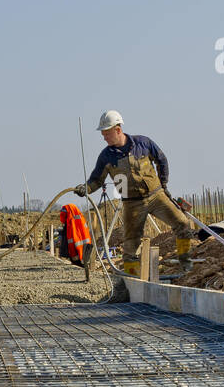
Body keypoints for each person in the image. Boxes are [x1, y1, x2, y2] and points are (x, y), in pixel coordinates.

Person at [75, 110, 195, 275]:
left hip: (156, 195)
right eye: (103, 134)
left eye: (107, 134)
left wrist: (163, 184)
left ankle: (186, 265)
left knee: (182, 223)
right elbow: (96, 180)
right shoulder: (106, 157)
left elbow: (161, 160)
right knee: (131, 243)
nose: (104, 138)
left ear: (118, 130)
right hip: (132, 203)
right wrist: (85, 189)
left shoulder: (143, 143)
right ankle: (133, 276)